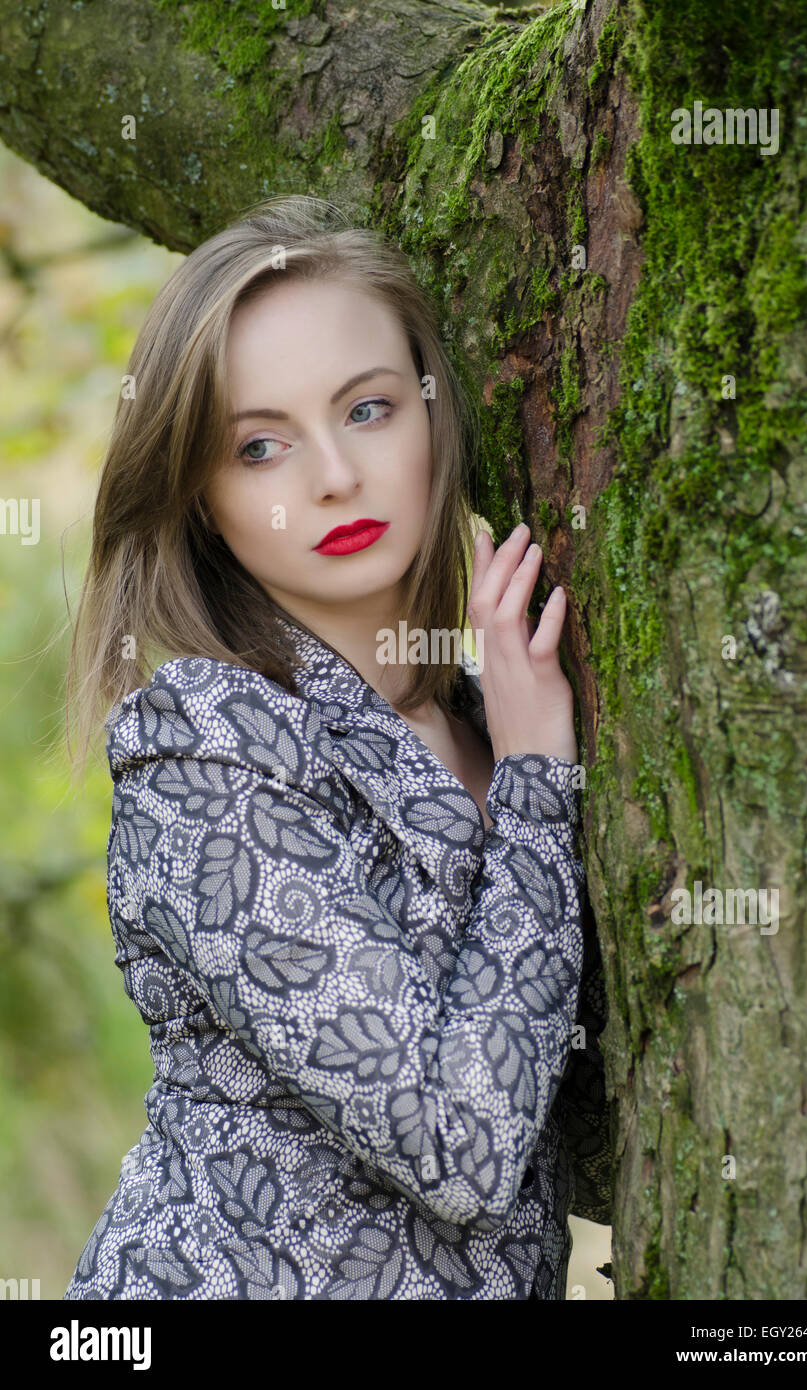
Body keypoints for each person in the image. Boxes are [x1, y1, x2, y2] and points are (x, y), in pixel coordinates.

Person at [62, 195, 612, 1300]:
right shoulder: (206, 746)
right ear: (204, 497)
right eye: (259, 444)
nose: (332, 476)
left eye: (367, 410)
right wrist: (540, 784)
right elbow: (457, 1149)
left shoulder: (484, 716)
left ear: (433, 415)